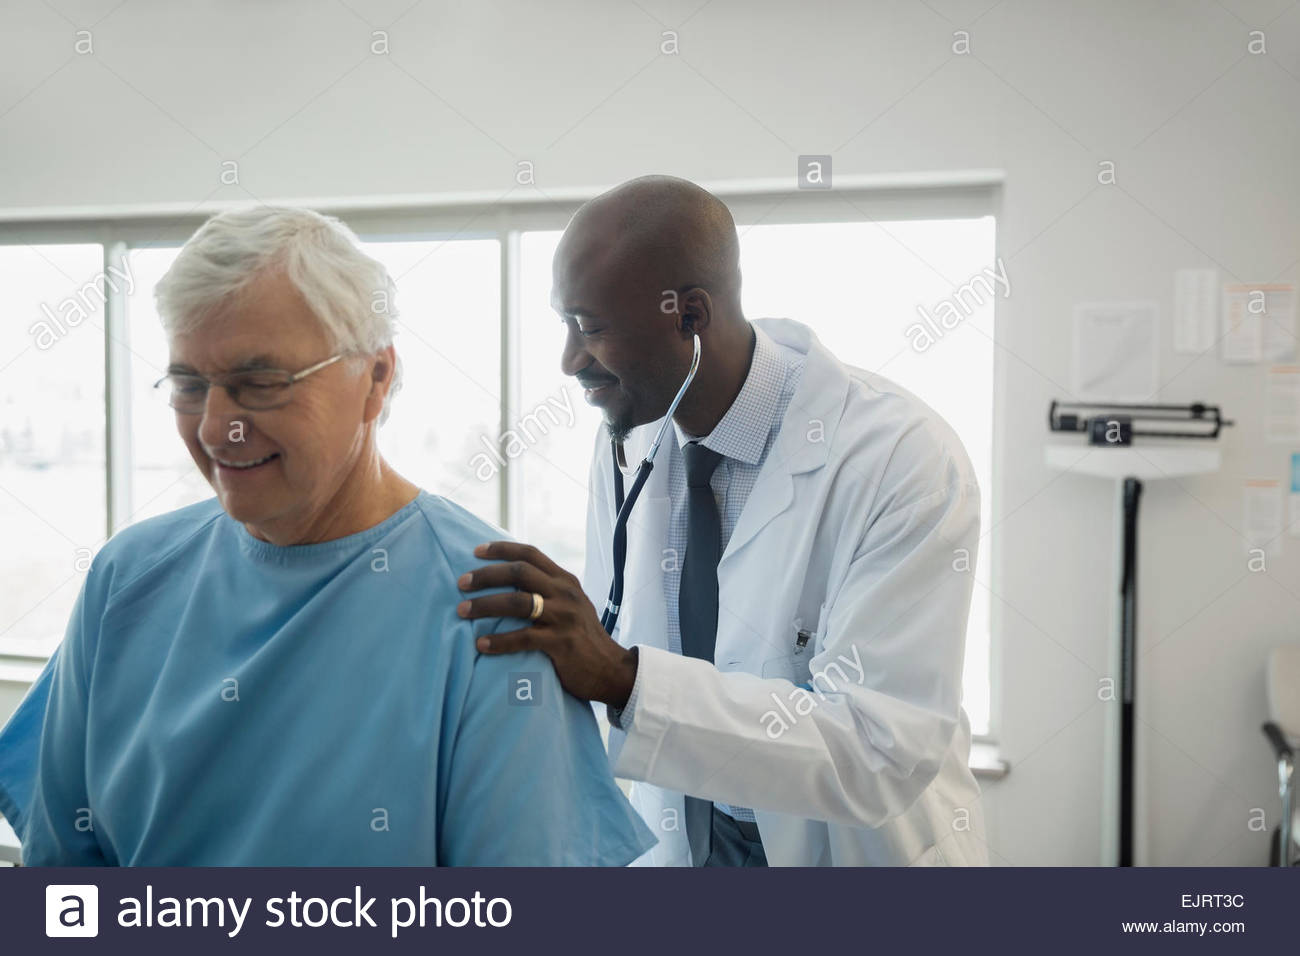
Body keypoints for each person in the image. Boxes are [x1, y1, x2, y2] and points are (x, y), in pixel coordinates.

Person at [0, 206, 654, 867]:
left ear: (375, 379)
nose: (213, 427)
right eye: (189, 386)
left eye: (260, 385)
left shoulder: (493, 611)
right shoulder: (125, 580)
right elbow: (63, 880)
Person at [456, 175, 989, 866]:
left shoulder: (899, 456)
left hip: (846, 848)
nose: (569, 361)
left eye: (590, 329)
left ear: (690, 316)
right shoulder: (627, 437)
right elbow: (616, 629)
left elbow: (878, 749)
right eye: (565, 324)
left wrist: (622, 677)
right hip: (681, 839)